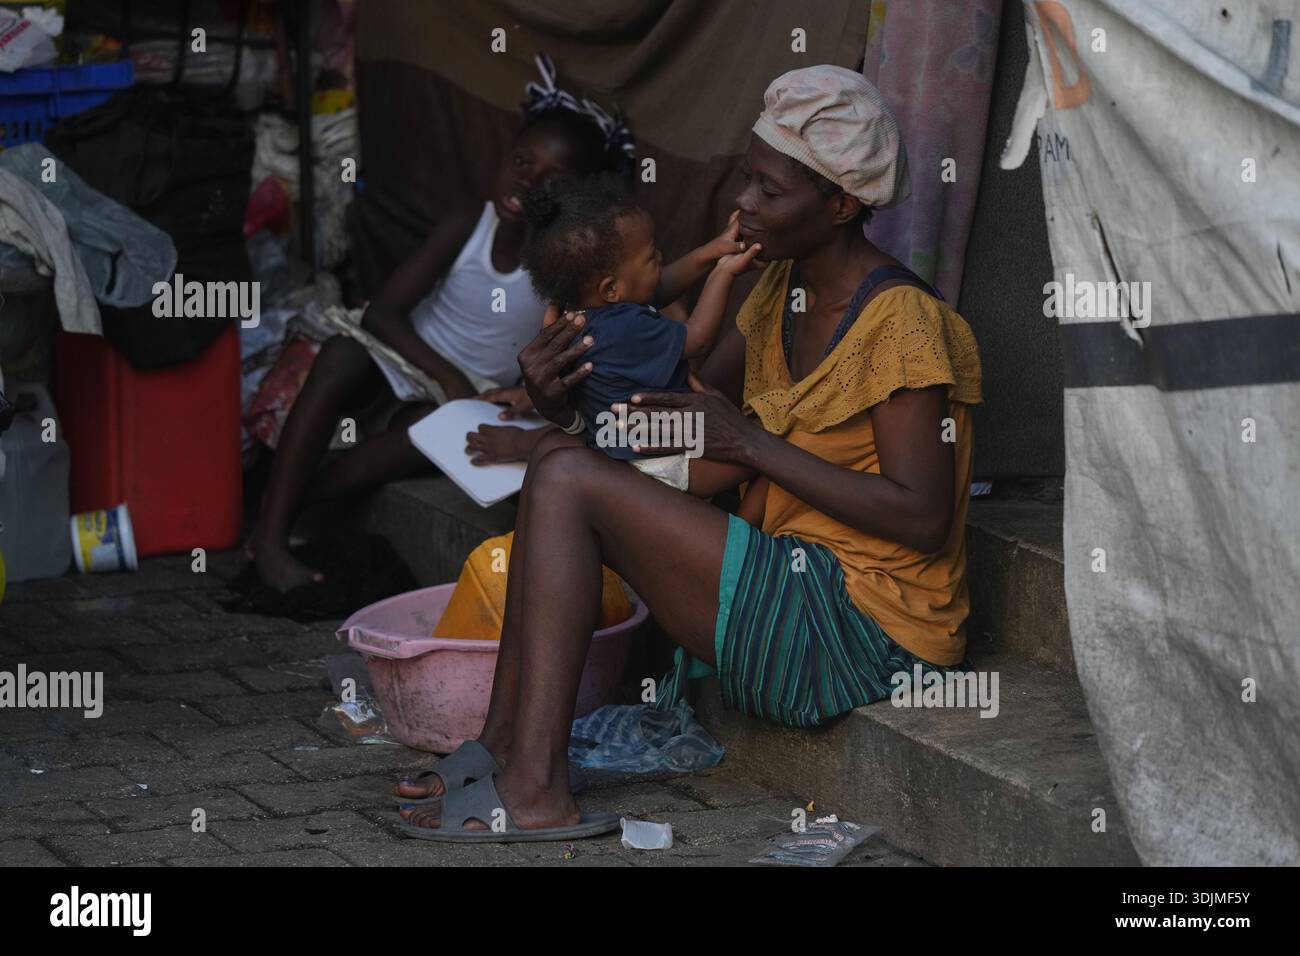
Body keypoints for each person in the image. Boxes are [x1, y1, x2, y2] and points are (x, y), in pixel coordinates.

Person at [395, 66, 983, 842]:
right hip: (788, 581)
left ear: (842, 204)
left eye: (770, 192)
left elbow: (923, 515)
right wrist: (563, 408)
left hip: (866, 631)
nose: (743, 203)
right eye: (748, 180)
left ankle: (535, 790)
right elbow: (675, 422)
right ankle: (506, 751)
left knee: (566, 474)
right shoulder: (780, 292)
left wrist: (752, 443)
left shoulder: (903, 325)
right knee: (557, 464)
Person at [250, 58, 630, 593]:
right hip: (416, 359)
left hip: (480, 392)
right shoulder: (466, 226)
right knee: (340, 354)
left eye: (552, 180)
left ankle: (287, 499)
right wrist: (447, 378)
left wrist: (494, 397)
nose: (527, 181)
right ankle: (270, 537)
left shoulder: (565, 270)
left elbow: (570, 353)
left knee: (424, 436)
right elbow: (383, 312)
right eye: (521, 161)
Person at [515, 174, 764, 493]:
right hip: (657, 461)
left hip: (614, 442)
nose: (660, 257)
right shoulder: (624, 328)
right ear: (610, 288)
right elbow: (697, 338)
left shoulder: (584, 313)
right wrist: (724, 272)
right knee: (765, 453)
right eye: (650, 256)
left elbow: (659, 286)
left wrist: (712, 250)